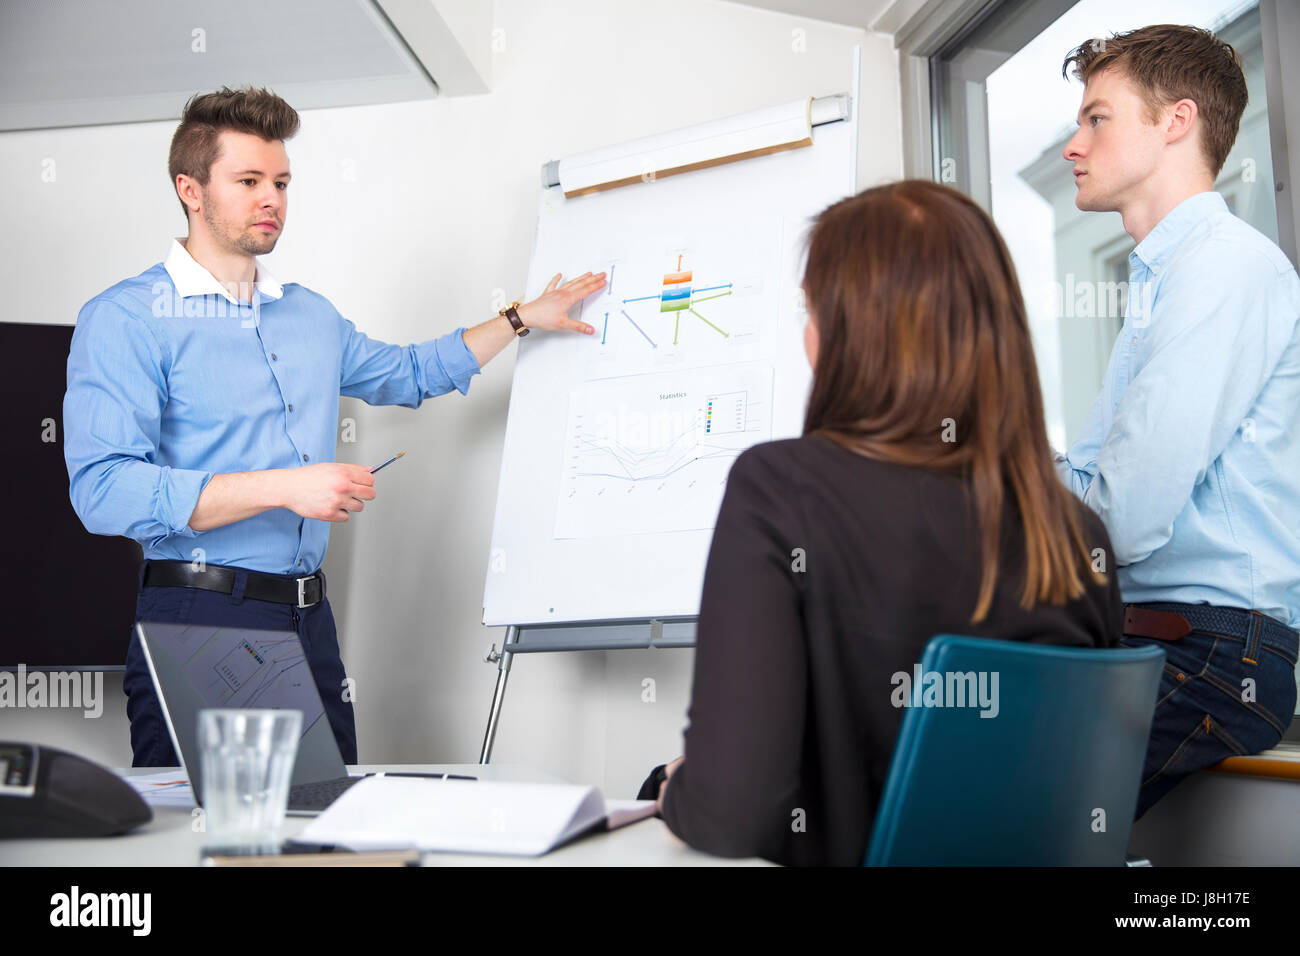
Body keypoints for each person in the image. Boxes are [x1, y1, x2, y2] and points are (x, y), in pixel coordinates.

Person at [63, 85, 606, 767]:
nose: (273, 200)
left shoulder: (311, 317)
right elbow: (104, 491)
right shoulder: (126, 318)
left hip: (307, 623)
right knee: (220, 846)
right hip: (202, 618)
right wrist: (285, 488)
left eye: (282, 182)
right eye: (249, 181)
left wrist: (524, 316)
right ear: (191, 190)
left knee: (322, 836)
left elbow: (411, 372)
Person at [645, 180, 1124, 866]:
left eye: (814, 314)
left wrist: (682, 788)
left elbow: (732, 818)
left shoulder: (780, 491)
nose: (809, 339)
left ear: (850, 337)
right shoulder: (1079, 537)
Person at [1055, 25, 1300, 817]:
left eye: (1097, 118)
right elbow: (1092, 494)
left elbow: (1115, 524)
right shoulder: (1161, 287)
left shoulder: (1224, 268)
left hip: (1214, 653)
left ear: (1176, 121)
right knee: (942, 780)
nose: (1073, 145)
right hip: (1154, 641)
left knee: (1006, 822)